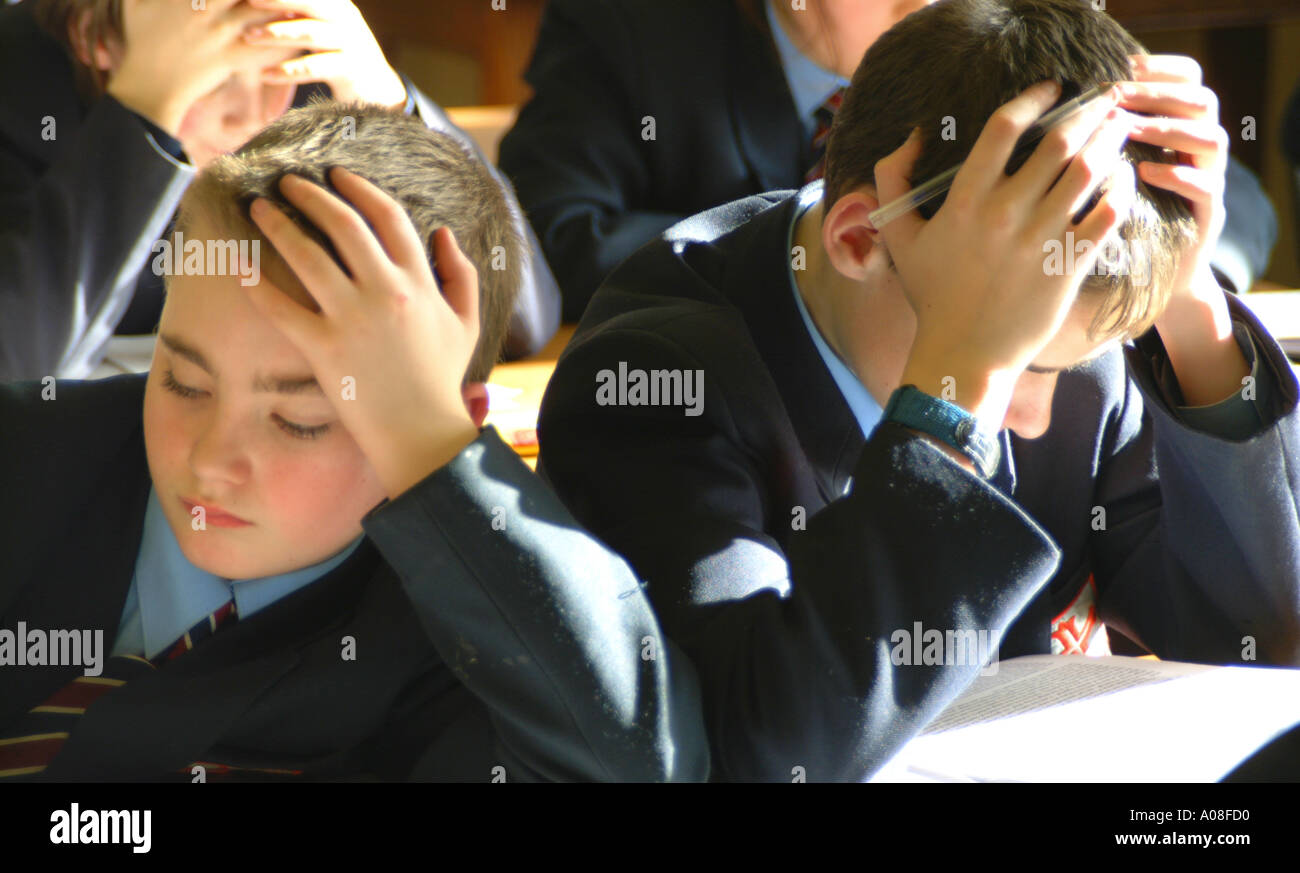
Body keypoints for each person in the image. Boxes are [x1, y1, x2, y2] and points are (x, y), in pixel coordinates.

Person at [535, 0, 1300, 782]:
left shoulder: (1069, 330)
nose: (1027, 424)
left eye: (1067, 365)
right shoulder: (651, 387)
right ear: (862, 239)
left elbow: (1260, 639)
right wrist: (955, 400)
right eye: (1023, 362)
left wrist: (1192, 309)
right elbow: (759, 751)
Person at [0, 100, 707, 782]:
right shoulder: (33, 449)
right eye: (184, 381)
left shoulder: (454, 642)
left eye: (300, 420)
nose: (211, 460)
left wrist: (434, 447)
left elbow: (639, 764)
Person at [499, 0, 1276, 322]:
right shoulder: (628, 26)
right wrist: (855, 250)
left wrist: (1158, 256)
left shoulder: (998, 24)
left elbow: (1236, 201)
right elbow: (550, 238)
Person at [0, 0, 560, 382]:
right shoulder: (23, 84)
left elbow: (520, 323)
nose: (259, 114)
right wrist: (145, 120)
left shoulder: (316, 77)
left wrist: (391, 109)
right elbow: (18, 372)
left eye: (276, 69)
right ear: (92, 38)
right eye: (213, 70)